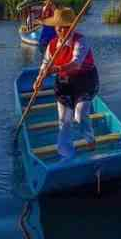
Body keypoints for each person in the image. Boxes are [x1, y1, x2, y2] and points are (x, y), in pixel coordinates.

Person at [36, 8, 99, 159]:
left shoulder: (81, 41)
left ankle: (89, 137)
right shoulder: (52, 45)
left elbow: (76, 63)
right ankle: (66, 154)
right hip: (64, 83)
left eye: (65, 27)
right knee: (64, 121)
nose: (61, 30)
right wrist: (38, 79)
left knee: (81, 113)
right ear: (55, 27)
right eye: (58, 27)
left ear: (72, 26)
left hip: (84, 81)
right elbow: (45, 64)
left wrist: (56, 68)